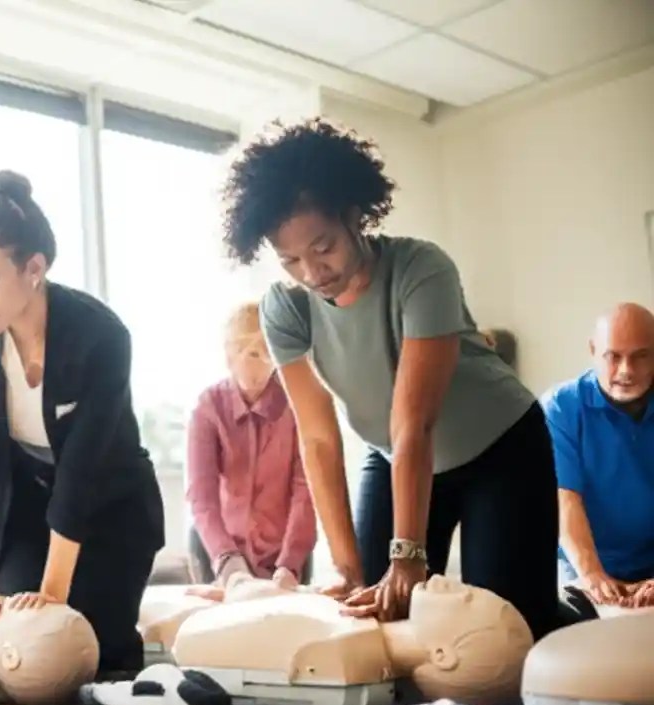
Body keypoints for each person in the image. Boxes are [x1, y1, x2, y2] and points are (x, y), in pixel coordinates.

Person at [221, 118, 558, 640]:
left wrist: (408, 554)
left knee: (507, 628)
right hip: (392, 454)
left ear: (355, 215)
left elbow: (413, 422)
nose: (312, 272)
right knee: (376, 609)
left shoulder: (421, 269)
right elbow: (317, 438)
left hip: (499, 448)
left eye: (324, 246)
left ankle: (573, 614)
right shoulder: (285, 307)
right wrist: (346, 564)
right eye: (290, 259)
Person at [0, 170, 165, 678]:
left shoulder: (102, 335)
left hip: (114, 508)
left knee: (86, 645)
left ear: (34, 268)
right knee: (11, 643)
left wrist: (53, 600)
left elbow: (81, 476)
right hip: (31, 512)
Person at [185, 301, 316, 586]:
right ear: (228, 355)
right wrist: (228, 562)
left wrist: (290, 564)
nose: (257, 364)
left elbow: (306, 490)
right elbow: (201, 495)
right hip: (219, 554)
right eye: (249, 353)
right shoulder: (208, 408)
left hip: (284, 555)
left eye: (266, 355)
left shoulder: (295, 406)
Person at [542, 303, 654, 610]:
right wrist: (592, 574)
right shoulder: (561, 407)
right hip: (584, 566)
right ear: (593, 351)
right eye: (613, 356)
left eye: (640, 356)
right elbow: (565, 498)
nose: (626, 371)